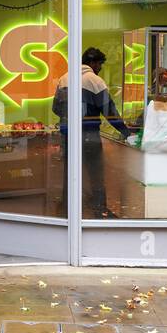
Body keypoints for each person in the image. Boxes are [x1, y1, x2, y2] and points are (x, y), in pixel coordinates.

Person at [53, 47, 129, 219]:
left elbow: (55, 107)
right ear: (93, 63)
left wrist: (70, 118)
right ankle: (99, 212)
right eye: (100, 64)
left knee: (69, 173)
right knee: (96, 174)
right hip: (89, 136)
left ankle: (68, 211)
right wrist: (125, 131)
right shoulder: (95, 80)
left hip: (68, 136)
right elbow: (109, 111)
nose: (100, 68)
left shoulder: (64, 79)